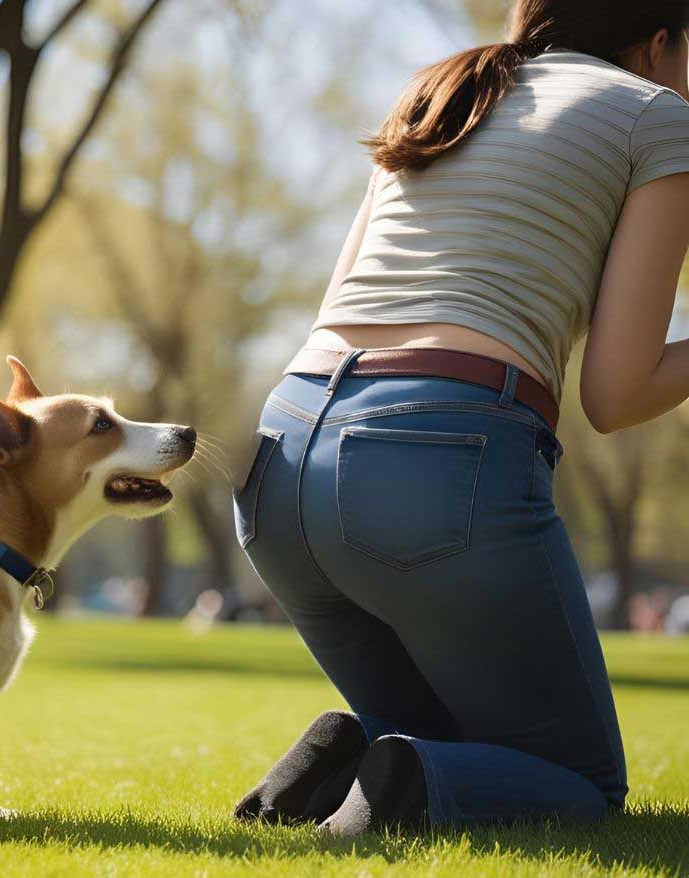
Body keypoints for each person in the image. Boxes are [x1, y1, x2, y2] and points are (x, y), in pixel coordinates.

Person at [231, 0, 689, 835]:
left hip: (284, 453)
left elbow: (338, 307)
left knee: (461, 741)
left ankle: (349, 758)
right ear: (659, 43)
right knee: (582, 784)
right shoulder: (659, 116)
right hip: (435, 459)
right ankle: (399, 775)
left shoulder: (442, 94)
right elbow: (617, 394)